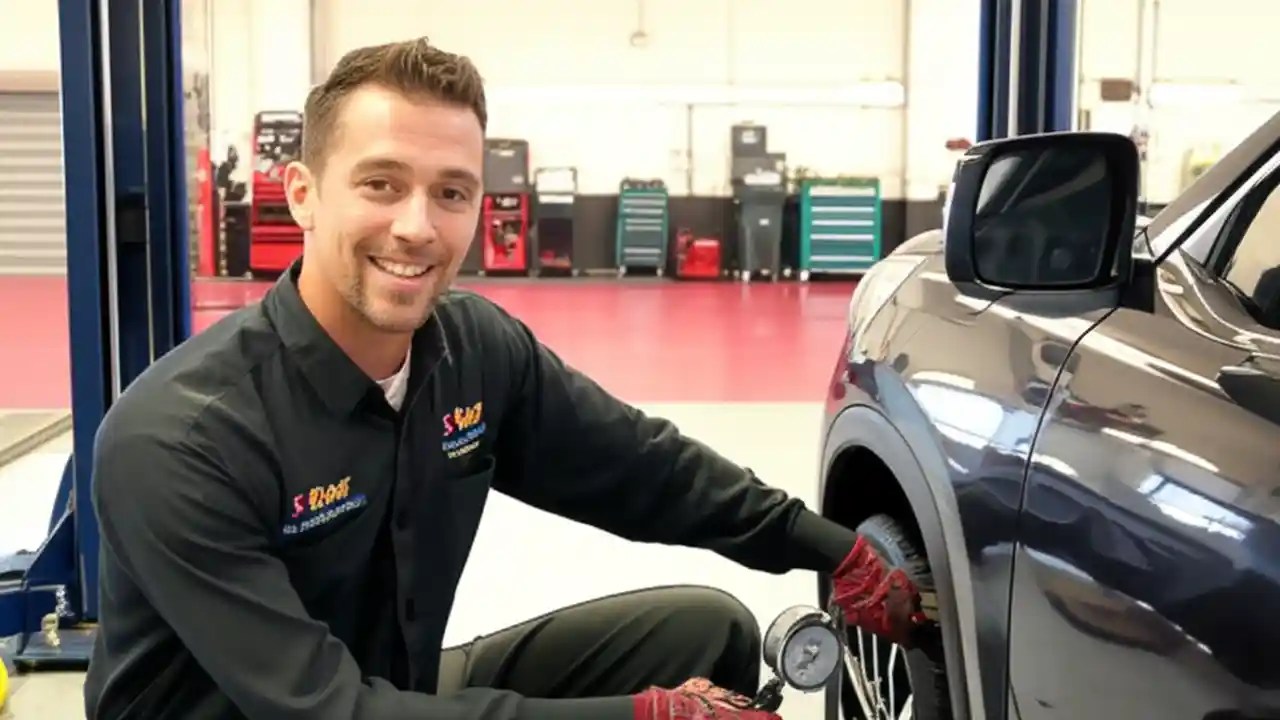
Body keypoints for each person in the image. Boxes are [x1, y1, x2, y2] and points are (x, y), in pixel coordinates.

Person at [83, 38, 933, 720]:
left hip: (395, 689)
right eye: (381, 184)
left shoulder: (472, 354)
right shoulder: (184, 440)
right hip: (304, 709)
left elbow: (647, 471)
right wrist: (638, 716)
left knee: (707, 634)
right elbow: (326, 709)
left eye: (451, 193)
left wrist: (834, 550)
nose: (416, 227)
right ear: (302, 193)